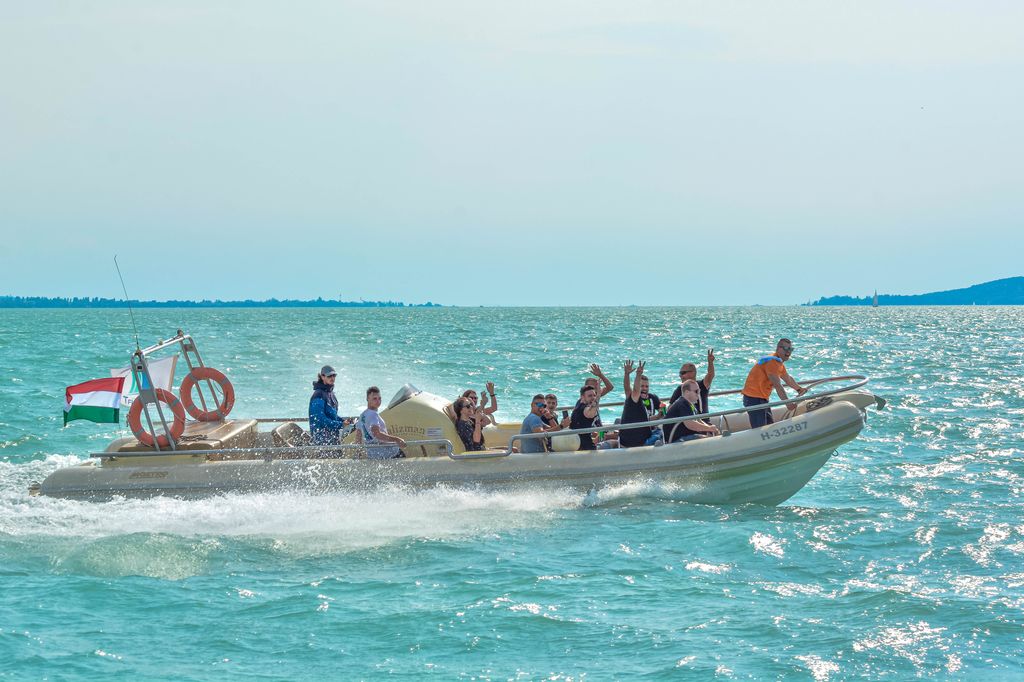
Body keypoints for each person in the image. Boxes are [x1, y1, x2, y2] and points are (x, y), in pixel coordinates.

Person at [741, 338, 807, 429]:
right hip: (754, 399)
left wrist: (799, 389)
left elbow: (787, 379)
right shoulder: (772, 362)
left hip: (762, 399)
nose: (788, 352)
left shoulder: (778, 363)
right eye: (786, 349)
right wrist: (788, 404)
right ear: (778, 349)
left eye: (790, 349)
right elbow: (778, 385)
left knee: (769, 426)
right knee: (760, 430)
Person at [357, 386, 407, 459]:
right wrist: (397, 440)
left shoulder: (362, 415)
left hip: (373, 455)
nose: (378, 401)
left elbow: (358, 436)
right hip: (388, 453)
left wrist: (358, 454)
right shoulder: (373, 415)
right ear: (367, 399)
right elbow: (377, 434)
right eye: (374, 398)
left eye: (379, 398)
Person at [619, 360, 656, 448]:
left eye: (646, 386)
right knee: (660, 433)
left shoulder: (631, 399)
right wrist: (638, 374)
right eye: (641, 386)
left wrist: (627, 374)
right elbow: (633, 389)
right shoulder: (635, 399)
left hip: (628, 440)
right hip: (639, 442)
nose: (644, 389)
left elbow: (627, 388)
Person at [308, 365, 348, 446]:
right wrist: (340, 425)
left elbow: (332, 415)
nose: (332, 378)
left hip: (332, 437)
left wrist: (343, 421)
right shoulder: (318, 395)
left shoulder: (330, 393)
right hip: (322, 440)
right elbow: (320, 420)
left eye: (334, 375)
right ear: (322, 377)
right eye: (329, 376)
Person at [668, 349, 716, 416]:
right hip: (687, 423)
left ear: (692, 373)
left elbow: (711, 374)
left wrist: (710, 362)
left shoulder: (702, 385)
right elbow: (670, 409)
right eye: (680, 373)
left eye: (683, 373)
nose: (680, 376)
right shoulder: (680, 388)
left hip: (704, 421)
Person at [570, 385, 602, 450]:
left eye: (594, 395)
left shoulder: (580, 404)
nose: (593, 398)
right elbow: (590, 414)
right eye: (590, 396)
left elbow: (601, 429)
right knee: (614, 443)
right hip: (585, 447)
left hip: (581, 443)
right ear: (583, 397)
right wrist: (598, 396)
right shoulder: (583, 409)